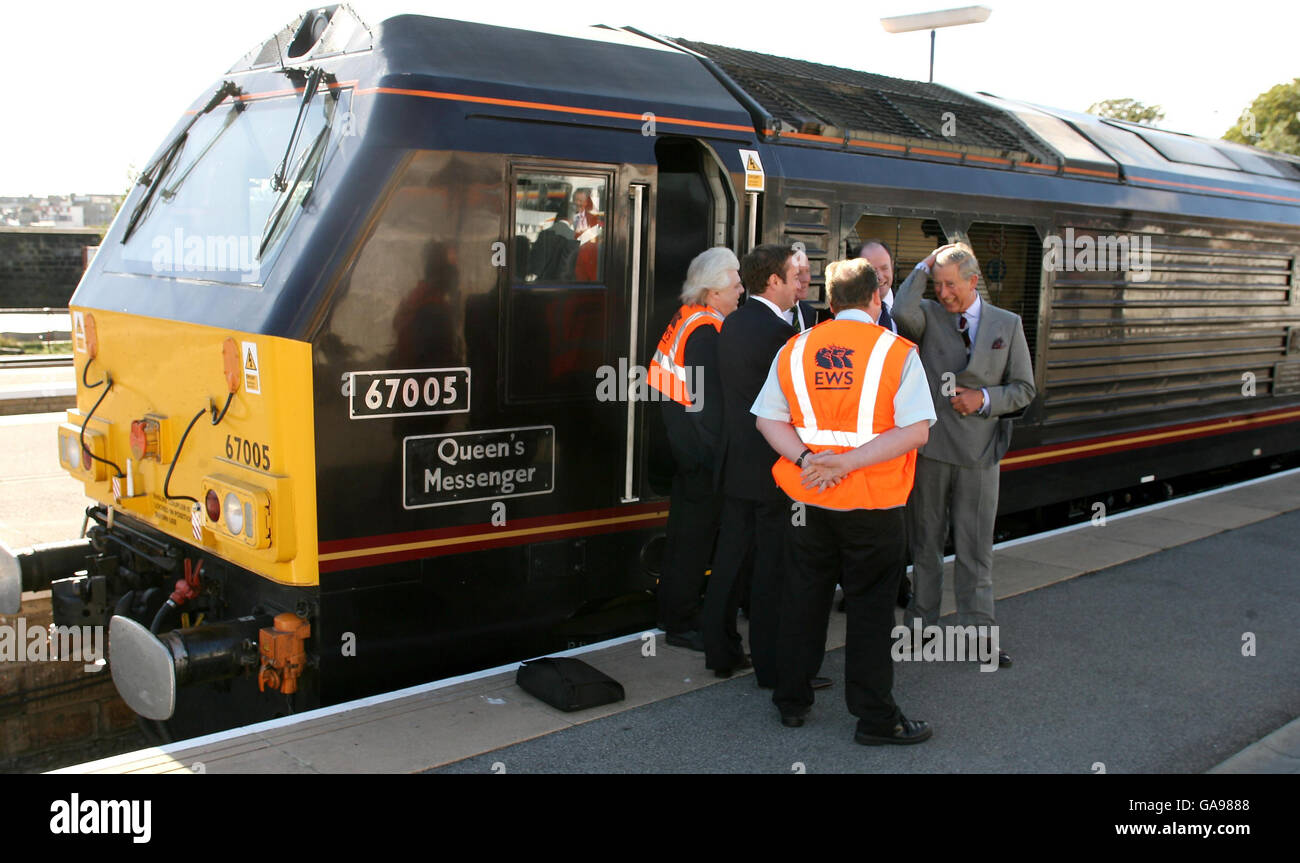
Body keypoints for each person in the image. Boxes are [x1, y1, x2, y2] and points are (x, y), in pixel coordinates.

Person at [753, 258, 936, 744]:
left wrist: (810, 459)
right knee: (871, 612)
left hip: (806, 500)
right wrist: (849, 463)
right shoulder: (897, 352)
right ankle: (875, 719)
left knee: (803, 600)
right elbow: (915, 431)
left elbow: (767, 421)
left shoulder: (795, 349)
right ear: (876, 298)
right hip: (872, 506)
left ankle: (791, 702)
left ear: (829, 303)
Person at [892, 243, 1036, 667]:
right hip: (933, 452)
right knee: (926, 546)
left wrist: (984, 399)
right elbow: (901, 308)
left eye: (950, 284)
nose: (943, 293)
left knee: (976, 549)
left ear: (974, 281)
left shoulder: (1007, 324)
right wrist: (924, 265)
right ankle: (921, 629)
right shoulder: (929, 316)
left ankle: (978, 636)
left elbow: (1024, 389)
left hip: (980, 456)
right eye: (937, 284)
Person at [701, 243, 799, 683]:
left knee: (729, 560)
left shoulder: (733, 324)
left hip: (733, 461)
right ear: (773, 281)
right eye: (793, 277)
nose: (800, 285)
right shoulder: (782, 337)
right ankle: (771, 665)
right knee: (769, 569)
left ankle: (720, 651)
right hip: (770, 468)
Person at [649, 247, 743, 649]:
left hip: (679, 445)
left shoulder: (687, 318)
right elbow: (705, 407)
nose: (741, 290)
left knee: (684, 536)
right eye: (736, 283)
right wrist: (716, 459)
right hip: (696, 454)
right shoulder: (705, 330)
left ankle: (674, 616)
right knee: (694, 541)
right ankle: (683, 624)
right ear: (714, 290)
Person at [857, 239, 898, 334]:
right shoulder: (839, 315)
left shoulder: (912, 310)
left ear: (892, 266)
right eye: (872, 271)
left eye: (884, 268)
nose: (879, 276)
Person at [790, 248, 818, 332]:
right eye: (798, 273)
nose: (806, 279)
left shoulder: (809, 312)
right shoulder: (767, 314)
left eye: (808, 271)